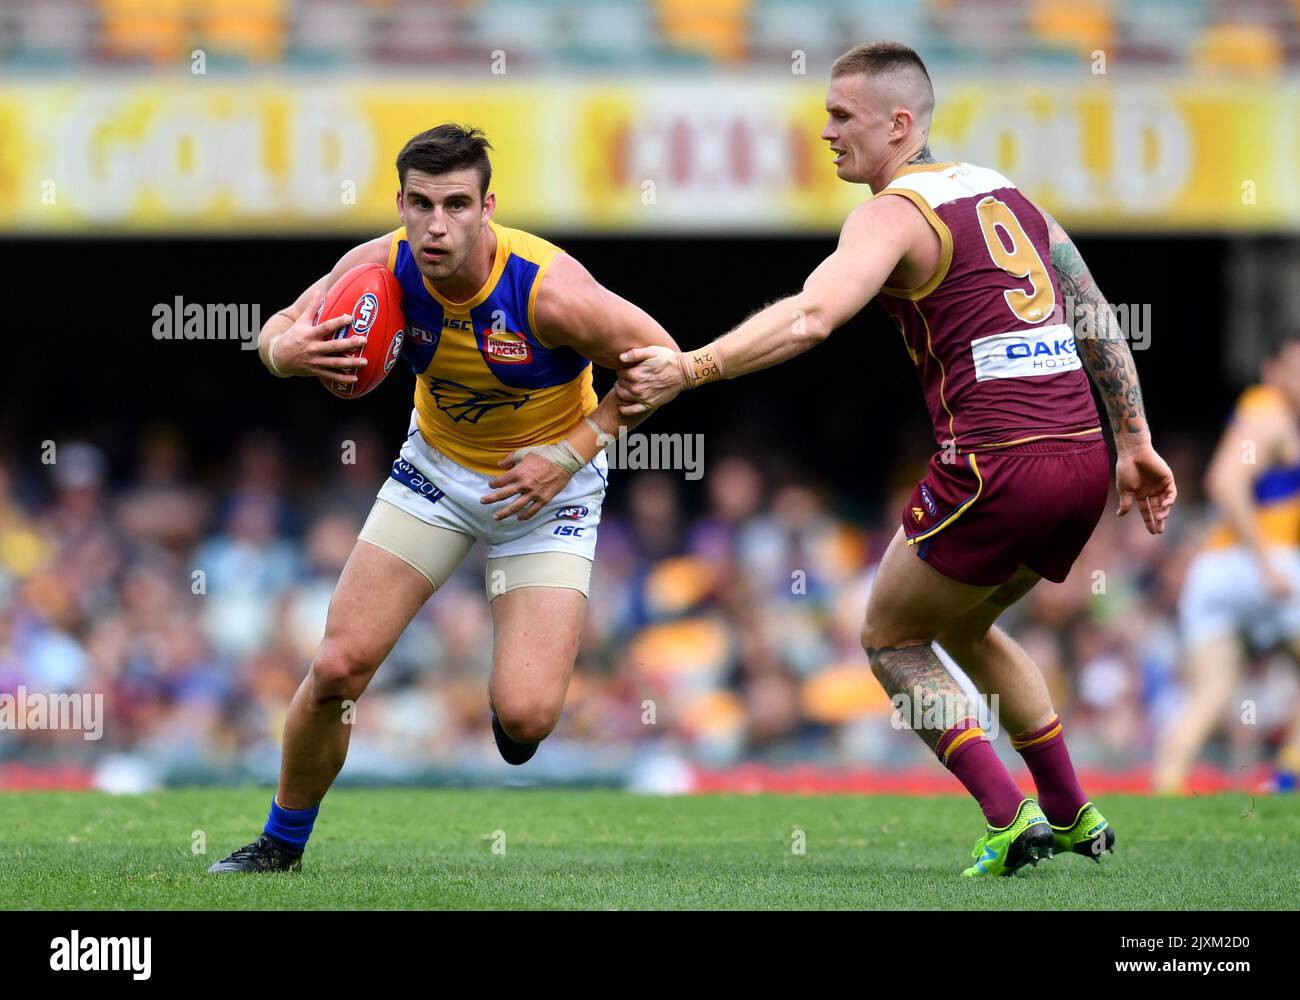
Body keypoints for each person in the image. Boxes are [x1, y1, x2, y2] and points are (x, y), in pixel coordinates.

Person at [616, 43, 1177, 876]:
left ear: (899, 124)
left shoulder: (889, 213)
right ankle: (1068, 811)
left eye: (842, 116)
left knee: (889, 638)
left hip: (998, 464)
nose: (826, 132)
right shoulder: (1008, 193)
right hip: (1083, 461)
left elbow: (810, 318)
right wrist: (1135, 444)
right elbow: (1095, 315)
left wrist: (693, 367)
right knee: (969, 623)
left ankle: (1007, 814)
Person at [209, 124, 677, 872]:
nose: (436, 224)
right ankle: (279, 844)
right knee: (335, 668)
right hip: (433, 474)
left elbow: (663, 362)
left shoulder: (550, 291)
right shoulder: (380, 265)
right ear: (399, 202)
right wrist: (281, 354)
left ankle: (514, 707)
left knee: (526, 716)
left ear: (488, 206)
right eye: (420, 203)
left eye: (456, 204)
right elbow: (279, 328)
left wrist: (571, 453)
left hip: (548, 491)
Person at [1154, 336, 1300, 794]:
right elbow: (1224, 480)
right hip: (1257, 566)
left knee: (1209, 694)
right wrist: (1265, 564)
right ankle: (1285, 778)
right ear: (1271, 371)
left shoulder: (1269, 415)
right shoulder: (1269, 413)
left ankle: (1164, 792)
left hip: (1215, 571)